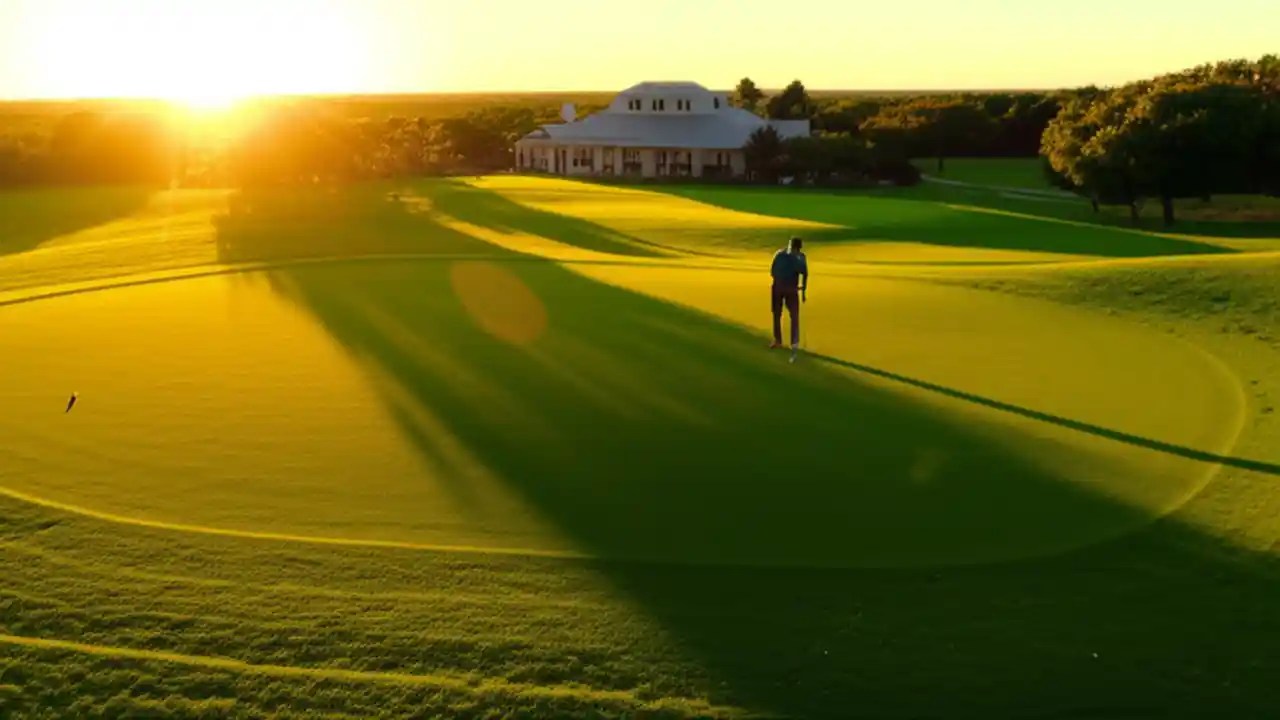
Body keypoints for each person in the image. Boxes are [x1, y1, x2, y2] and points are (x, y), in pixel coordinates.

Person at [770, 236, 808, 355]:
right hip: (782, 287)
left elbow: (805, 274)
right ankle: (781, 341)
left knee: (791, 315)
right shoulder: (785, 255)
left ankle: (790, 342)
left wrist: (803, 291)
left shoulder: (797, 257)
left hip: (785, 288)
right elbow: (772, 271)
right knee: (780, 314)